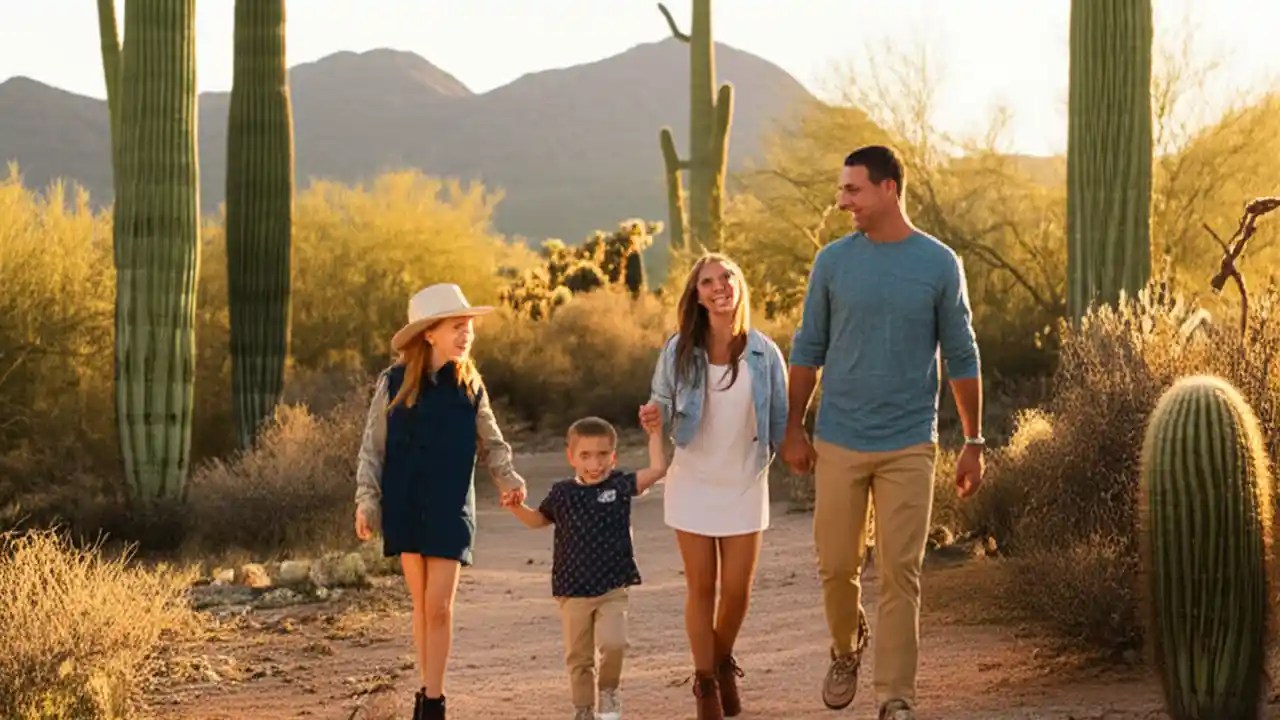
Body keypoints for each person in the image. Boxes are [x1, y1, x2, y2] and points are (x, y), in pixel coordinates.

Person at [780, 145, 985, 720]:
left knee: (901, 573)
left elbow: (962, 354)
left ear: (889, 189)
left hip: (910, 444)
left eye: (853, 190)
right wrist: (793, 428)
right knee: (836, 566)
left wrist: (973, 441)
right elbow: (807, 349)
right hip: (840, 438)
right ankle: (846, 649)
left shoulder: (939, 263)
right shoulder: (832, 263)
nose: (842, 200)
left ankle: (895, 698)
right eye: (842, 189)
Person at [353, 282, 528, 720]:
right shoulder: (392, 383)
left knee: (439, 605)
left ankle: (434, 701)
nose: (467, 333)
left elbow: (493, 442)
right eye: (457, 326)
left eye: (469, 325)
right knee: (421, 604)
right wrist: (366, 501)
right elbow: (372, 448)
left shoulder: (470, 386)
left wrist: (508, 478)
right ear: (429, 332)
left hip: (451, 507)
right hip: (405, 503)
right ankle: (425, 689)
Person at [637, 252, 789, 720]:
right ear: (697, 295)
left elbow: (781, 418)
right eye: (708, 281)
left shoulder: (765, 353)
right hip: (693, 480)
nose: (720, 286)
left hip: (745, 481)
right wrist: (652, 417)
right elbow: (659, 401)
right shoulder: (678, 349)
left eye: (727, 277)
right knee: (702, 588)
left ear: (740, 286)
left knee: (738, 591)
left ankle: (721, 661)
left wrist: (783, 455)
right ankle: (706, 684)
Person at [505, 416, 668, 720]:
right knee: (578, 657)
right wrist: (516, 508)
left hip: (612, 587)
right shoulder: (562, 494)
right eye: (585, 455)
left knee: (614, 643)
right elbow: (539, 520)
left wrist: (655, 433)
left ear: (613, 456)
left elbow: (658, 470)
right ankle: (583, 709)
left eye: (603, 455)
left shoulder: (619, 485)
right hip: (572, 589)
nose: (595, 464)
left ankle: (608, 691)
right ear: (571, 457)